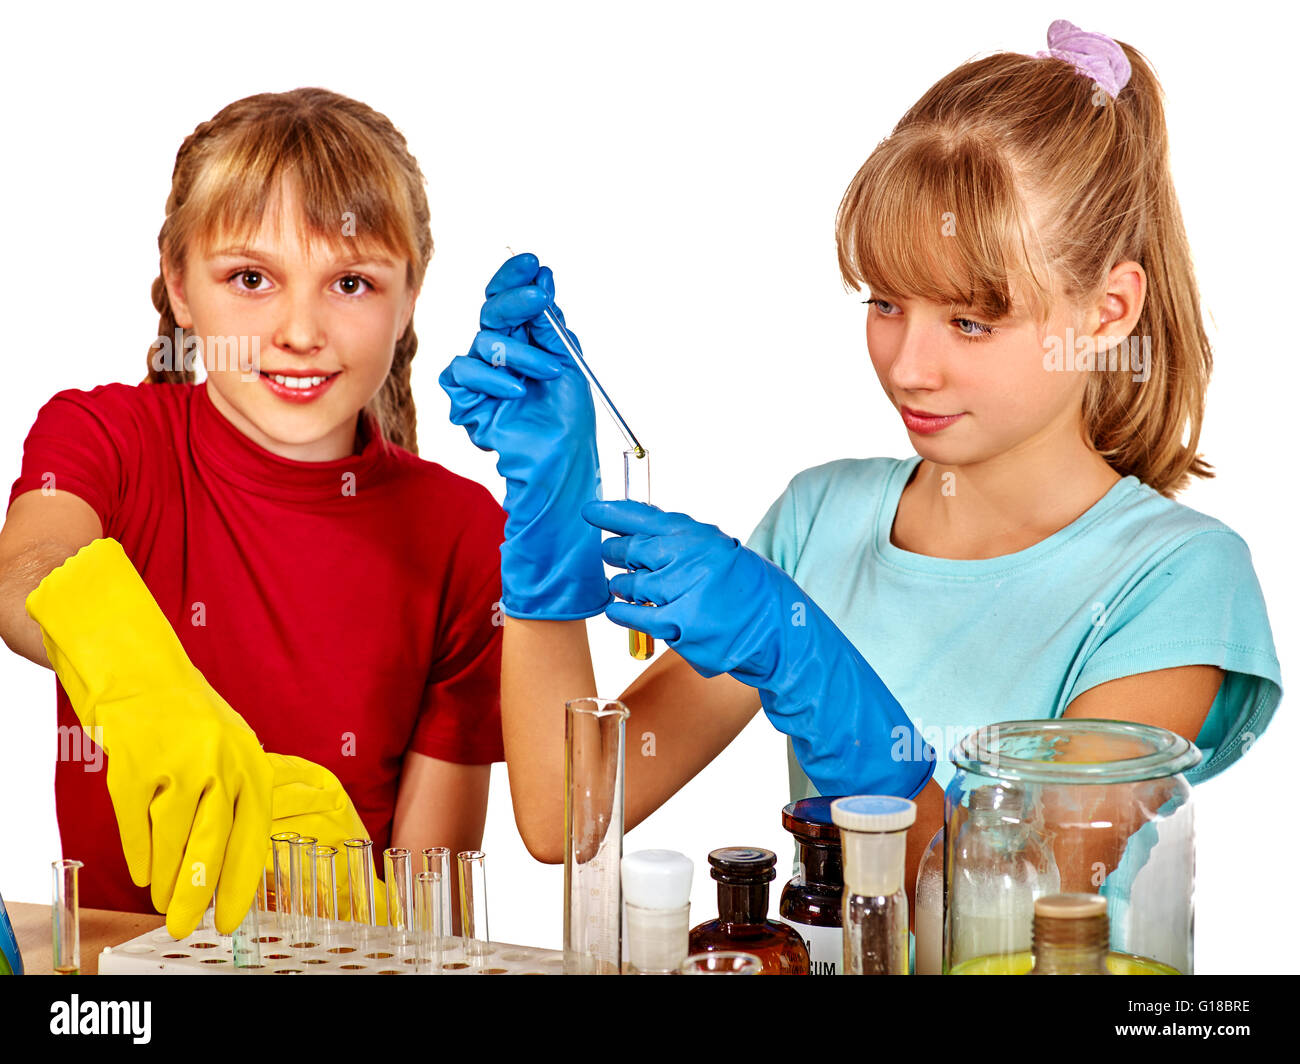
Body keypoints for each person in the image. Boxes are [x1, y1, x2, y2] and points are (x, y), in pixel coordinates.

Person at [439, 21, 1282, 917]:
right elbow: (568, 818)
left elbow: (997, 909)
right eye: (885, 300)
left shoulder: (1179, 581)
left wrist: (807, 662)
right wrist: (548, 521)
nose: (909, 365)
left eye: (970, 320)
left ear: (1108, 310)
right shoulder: (821, 520)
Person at [0, 88, 506, 937]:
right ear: (181, 287)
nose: (299, 330)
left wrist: (354, 918)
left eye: (350, 282)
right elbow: (27, 574)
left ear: (410, 296)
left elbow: (430, 919)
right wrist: (147, 685)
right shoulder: (104, 438)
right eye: (249, 278)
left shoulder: (461, 534)